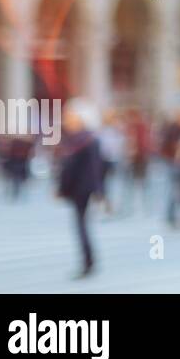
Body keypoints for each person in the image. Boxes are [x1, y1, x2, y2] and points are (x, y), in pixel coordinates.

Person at [57, 99, 105, 279]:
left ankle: (88, 262)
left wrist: (99, 192)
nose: (67, 120)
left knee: (81, 226)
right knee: (81, 225)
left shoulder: (86, 140)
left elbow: (95, 168)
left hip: (82, 190)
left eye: (71, 117)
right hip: (77, 189)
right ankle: (88, 261)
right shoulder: (76, 139)